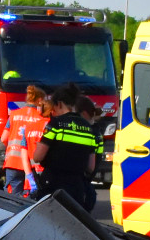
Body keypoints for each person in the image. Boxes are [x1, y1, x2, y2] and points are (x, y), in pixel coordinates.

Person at [33, 83, 100, 213]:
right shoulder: (88, 129)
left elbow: (37, 157)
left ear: (59, 104)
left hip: (53, 185)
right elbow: (90, 167)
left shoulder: (55, 124)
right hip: (77, 188)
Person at [1, 85, 48, 194]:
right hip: (32, 165)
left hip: (13, 162)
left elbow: (4, 138)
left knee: (12, 199)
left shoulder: (14, 114)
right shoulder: (42, 119)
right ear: (40, 100)